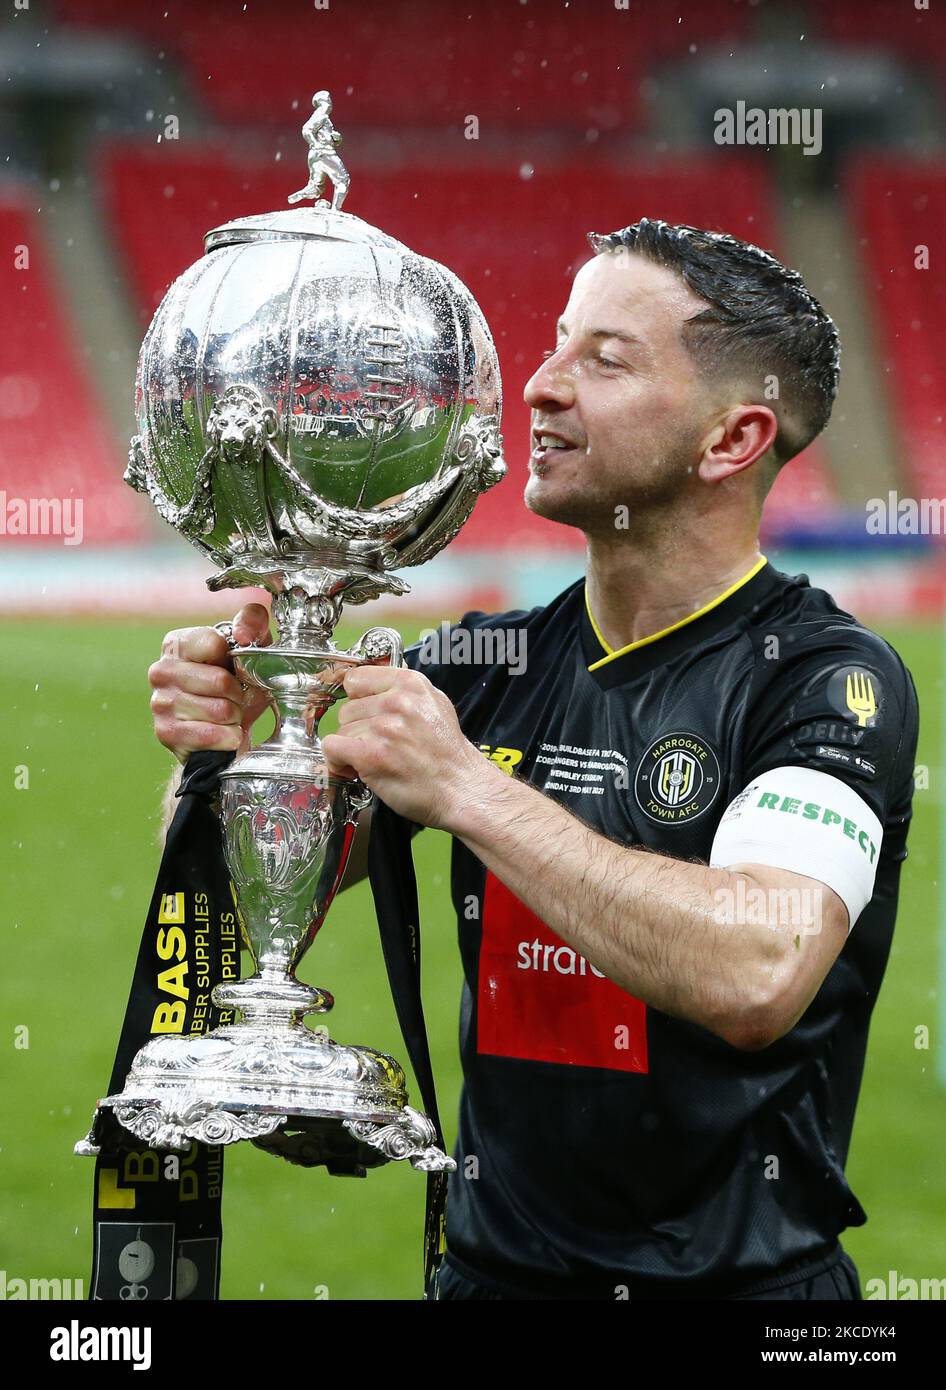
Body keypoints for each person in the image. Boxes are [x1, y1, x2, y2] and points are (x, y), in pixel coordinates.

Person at [148, 220, 919, 1301]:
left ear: (732, 440)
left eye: (605, 360)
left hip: (745, 1295)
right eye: (556, 345)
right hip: (486, 1280)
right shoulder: (482, 660)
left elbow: (758, 970)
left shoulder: (827, 679)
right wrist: (235, 753)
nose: (542, 385)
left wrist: (469, 789)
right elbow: (249, 908)